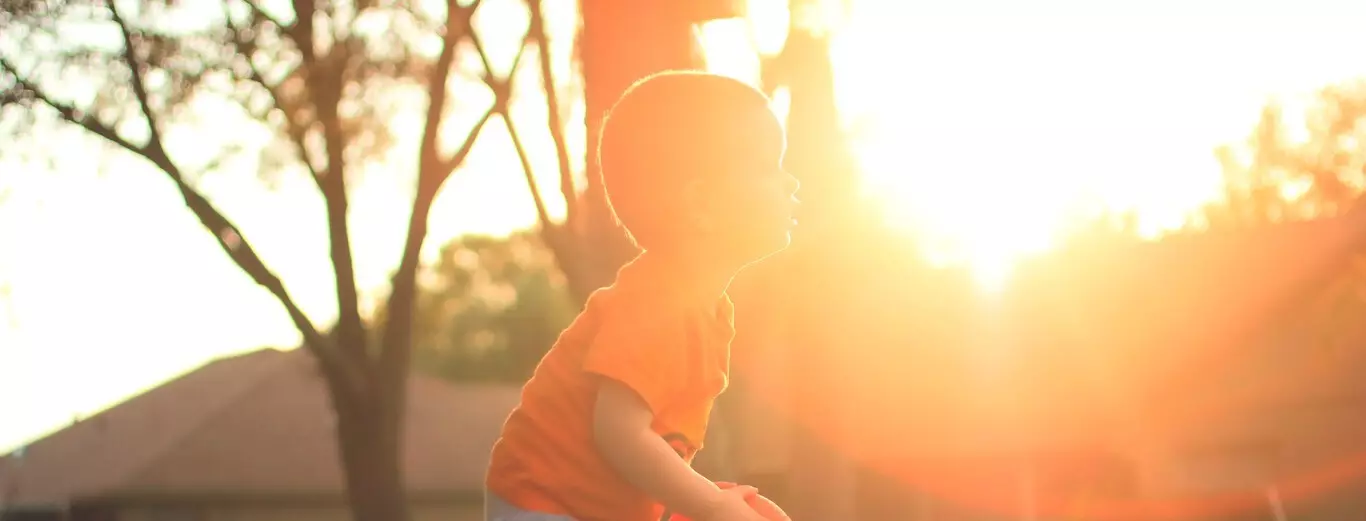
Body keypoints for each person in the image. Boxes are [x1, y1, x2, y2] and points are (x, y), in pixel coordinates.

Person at [484, 70, 801, 521]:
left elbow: (652, 444)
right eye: (771, 166)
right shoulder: (660, 301)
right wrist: (710, 506)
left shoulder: (704, 309)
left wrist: (703, 500)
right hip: (545, 502)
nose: (791, 182)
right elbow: (617, 433)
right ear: (702, 206)